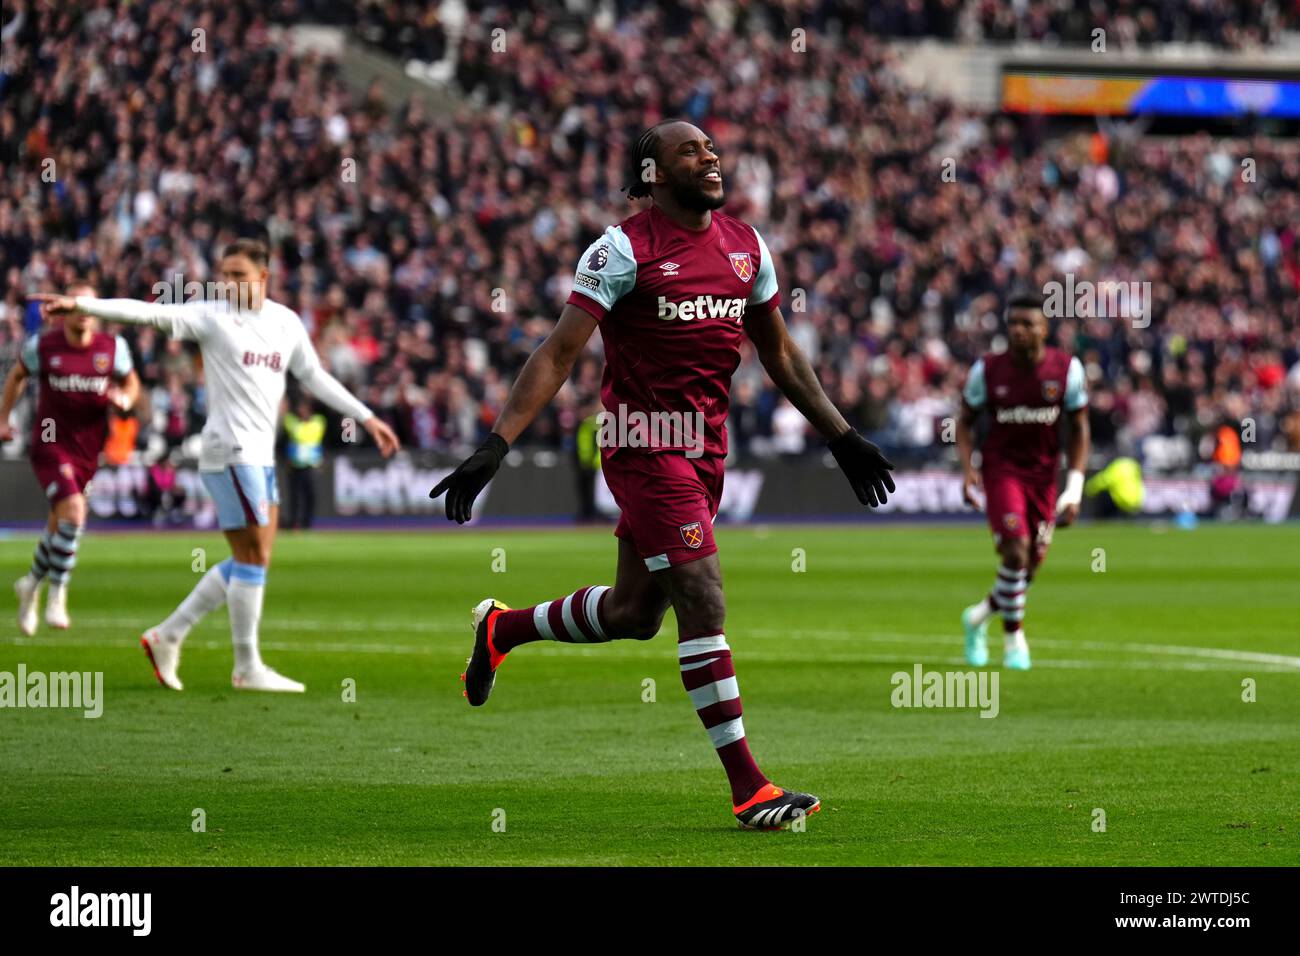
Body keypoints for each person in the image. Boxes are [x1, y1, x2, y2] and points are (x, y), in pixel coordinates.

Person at [430, 120, 895, 829]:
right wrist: (498, 444)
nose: (710, 158)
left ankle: (503, 629)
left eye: (711, 149)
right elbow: (558, 352)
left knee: (635, 614)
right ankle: (750, 789)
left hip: (706, 449)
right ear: (653, 173)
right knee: (703, 598)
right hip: (641, 445)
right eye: (690, 151)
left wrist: (842, 435)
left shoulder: (747, 246)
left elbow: (780, 354)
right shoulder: (621, 250)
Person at [29, 238, 400, 692]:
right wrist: (83, 305)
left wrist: (365, 417)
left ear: (263, 278)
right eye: (224, 274)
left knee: (252, 559)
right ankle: (246, 666)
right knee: (254, 556)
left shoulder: (285, 323)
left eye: (238, 275)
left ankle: (169, 635)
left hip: (262, 455)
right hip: (229, 452)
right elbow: (146, 313)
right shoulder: (211, 315)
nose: (228, 283)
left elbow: (313, 375)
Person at [954, 291, 1091, 670]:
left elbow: (1080, 428)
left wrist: (1074, 487)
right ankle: (1014, 637)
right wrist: (969, 470)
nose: (1018, 331)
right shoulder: (988, 370)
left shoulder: (1067, 371)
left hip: (1044, 479)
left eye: (1027, 324)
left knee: (1026, 569)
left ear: (1044, 329)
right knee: (1015, 550)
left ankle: (978, 617)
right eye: (1013, 323)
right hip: (1002, 473)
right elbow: (964, 422)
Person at [0, 280, 140, 634]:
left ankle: (30, 583)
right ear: (65, 310)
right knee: (75, 513)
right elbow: (17, 375)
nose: (83, 313)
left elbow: (132, 383)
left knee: (60, 521)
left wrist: (125, 398)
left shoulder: (113, 349)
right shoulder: (44, 345)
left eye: (89, 307)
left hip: (88, 449)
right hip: (50, 440)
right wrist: (2, 418)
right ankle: (58, 593)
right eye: (75, 305)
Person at [283, 397, 326, 529]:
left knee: (311, 495)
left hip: (312, 465)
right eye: (300, 409)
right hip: (295, 465)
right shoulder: (292, 423)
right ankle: (294, 522)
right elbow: (284, 416)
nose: (302, 411)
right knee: (295, 495)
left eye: (304, 409)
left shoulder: (319, 423)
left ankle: (307, 522)